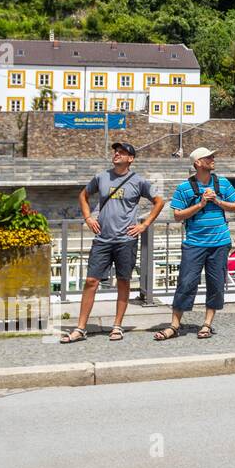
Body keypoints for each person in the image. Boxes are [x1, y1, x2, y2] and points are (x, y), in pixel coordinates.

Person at [61, 142, 164, 343]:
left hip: (126, 240)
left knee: (123, 281)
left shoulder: (138, 181)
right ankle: (80, 328)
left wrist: (144, 225)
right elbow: (83, 195)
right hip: (102, 239)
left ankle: (117, 326)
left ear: (130, 159)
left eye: (122, 152)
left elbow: (159, 201)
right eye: (116, 151)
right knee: (91, 281)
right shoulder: (101, 177)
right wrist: (88, 217)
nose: (117, 154)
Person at [155, 147, 235, 340]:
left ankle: (207, 324)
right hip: (194, 243)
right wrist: (200, 204)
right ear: (198, 163)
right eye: (208, 157)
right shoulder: (184, 188)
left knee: (216, 284)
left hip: (220, 242)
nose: (213, 159)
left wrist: (216, 201)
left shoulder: (222, 183)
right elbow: (177, 216)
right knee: (186, 282)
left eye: (212, 156)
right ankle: (174, 325)